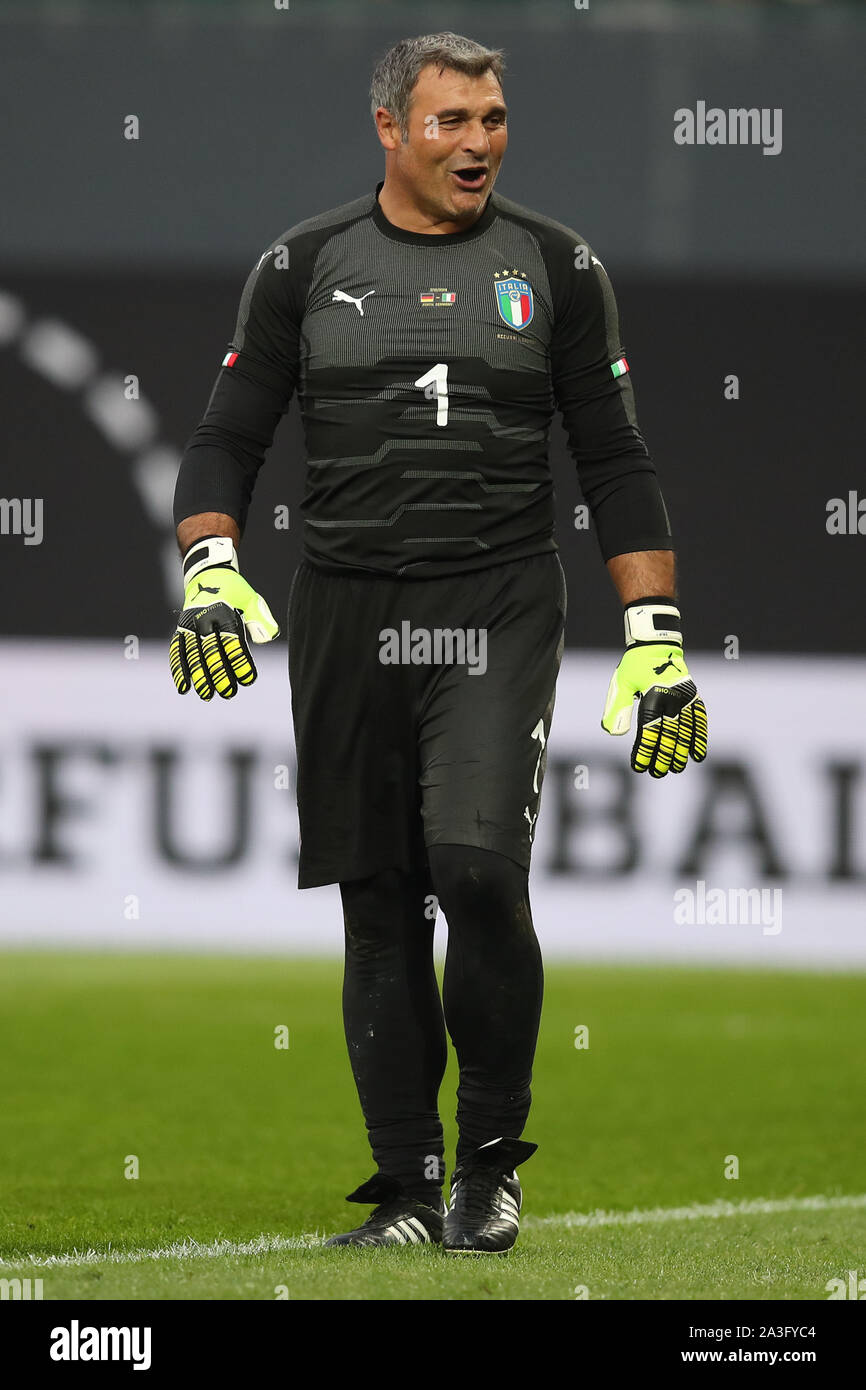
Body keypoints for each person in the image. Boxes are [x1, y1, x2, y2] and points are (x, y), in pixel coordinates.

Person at [169, 31, 707, 1256]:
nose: (477, 143)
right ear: (388, 129)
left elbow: (613, 458)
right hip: (347, 607)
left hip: (495, 603)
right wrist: (209, 567)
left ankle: (488, 1170)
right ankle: (406, 1191)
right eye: (450, 121)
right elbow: (224, 439)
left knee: (473, 871)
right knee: (378, 900)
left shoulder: (555, 265)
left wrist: (656, 637)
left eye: (493, 119)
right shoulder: (301, 265)